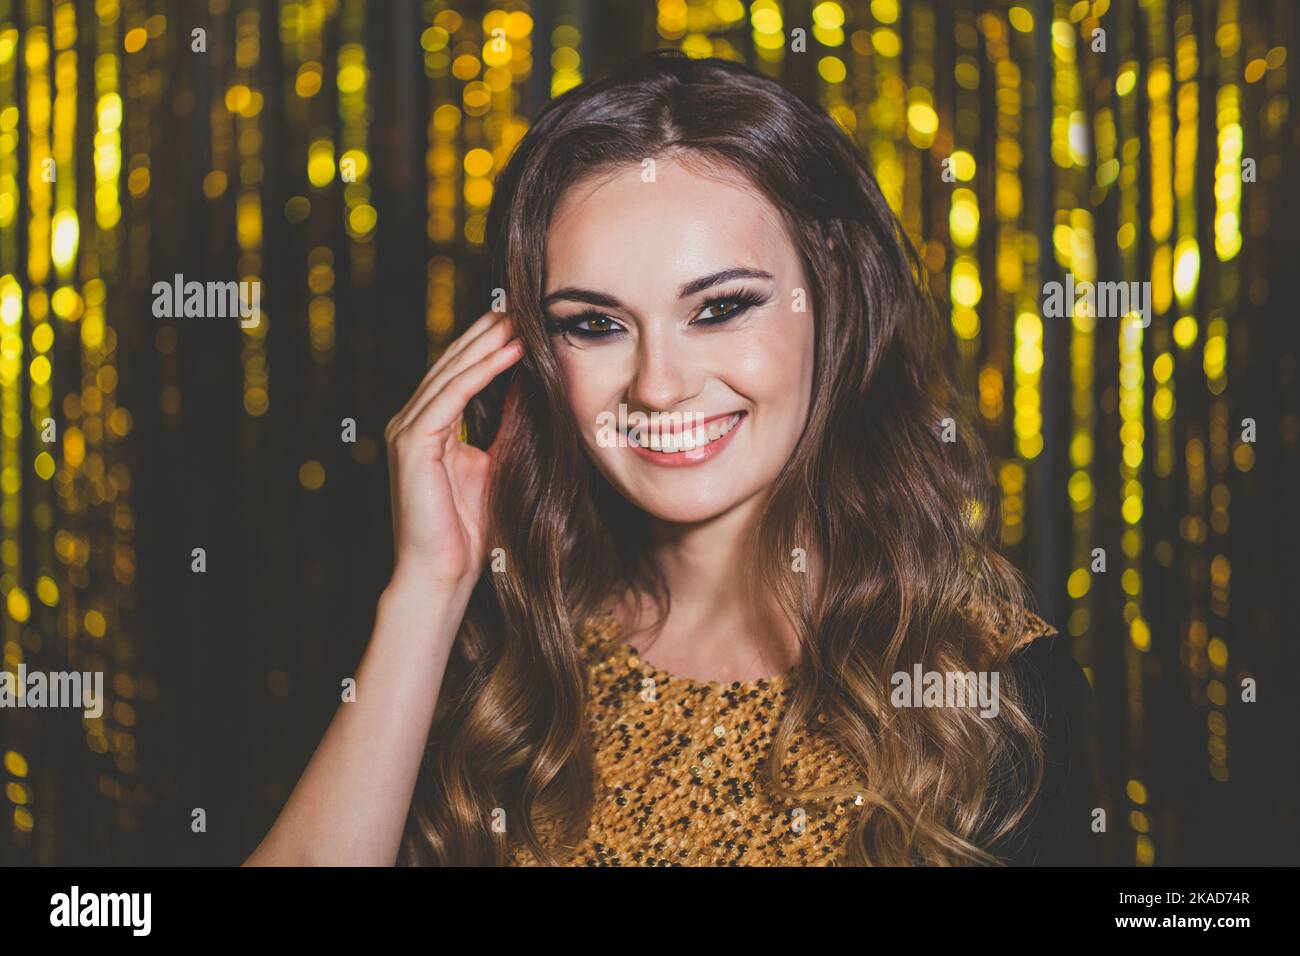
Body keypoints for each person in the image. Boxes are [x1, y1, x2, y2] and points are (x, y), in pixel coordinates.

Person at [245, 50, 1100, 867]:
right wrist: (428, 589)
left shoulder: (989, 691)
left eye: (721, 307)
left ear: (833, 298)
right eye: (595, 324)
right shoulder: (503, 658)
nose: (658, 386)